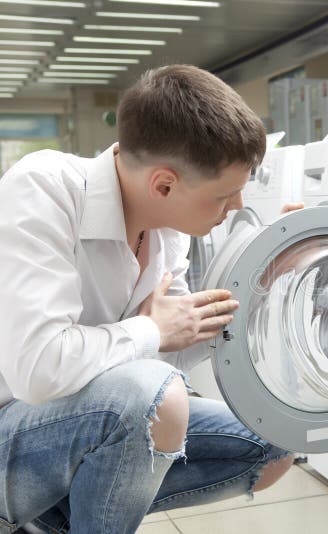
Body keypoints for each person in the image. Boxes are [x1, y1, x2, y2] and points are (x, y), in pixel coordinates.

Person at [0, 64, 301, 533]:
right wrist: (149, 329)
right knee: (150, 396)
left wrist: (265, 275)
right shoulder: (45, 188)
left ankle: (56, 516)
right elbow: (39, 371)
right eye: (225, 194)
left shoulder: (167, 231)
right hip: (10, 429)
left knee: (277, 439)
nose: (236, 207)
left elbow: (171, 353)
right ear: (164, 184)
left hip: (90, 422)